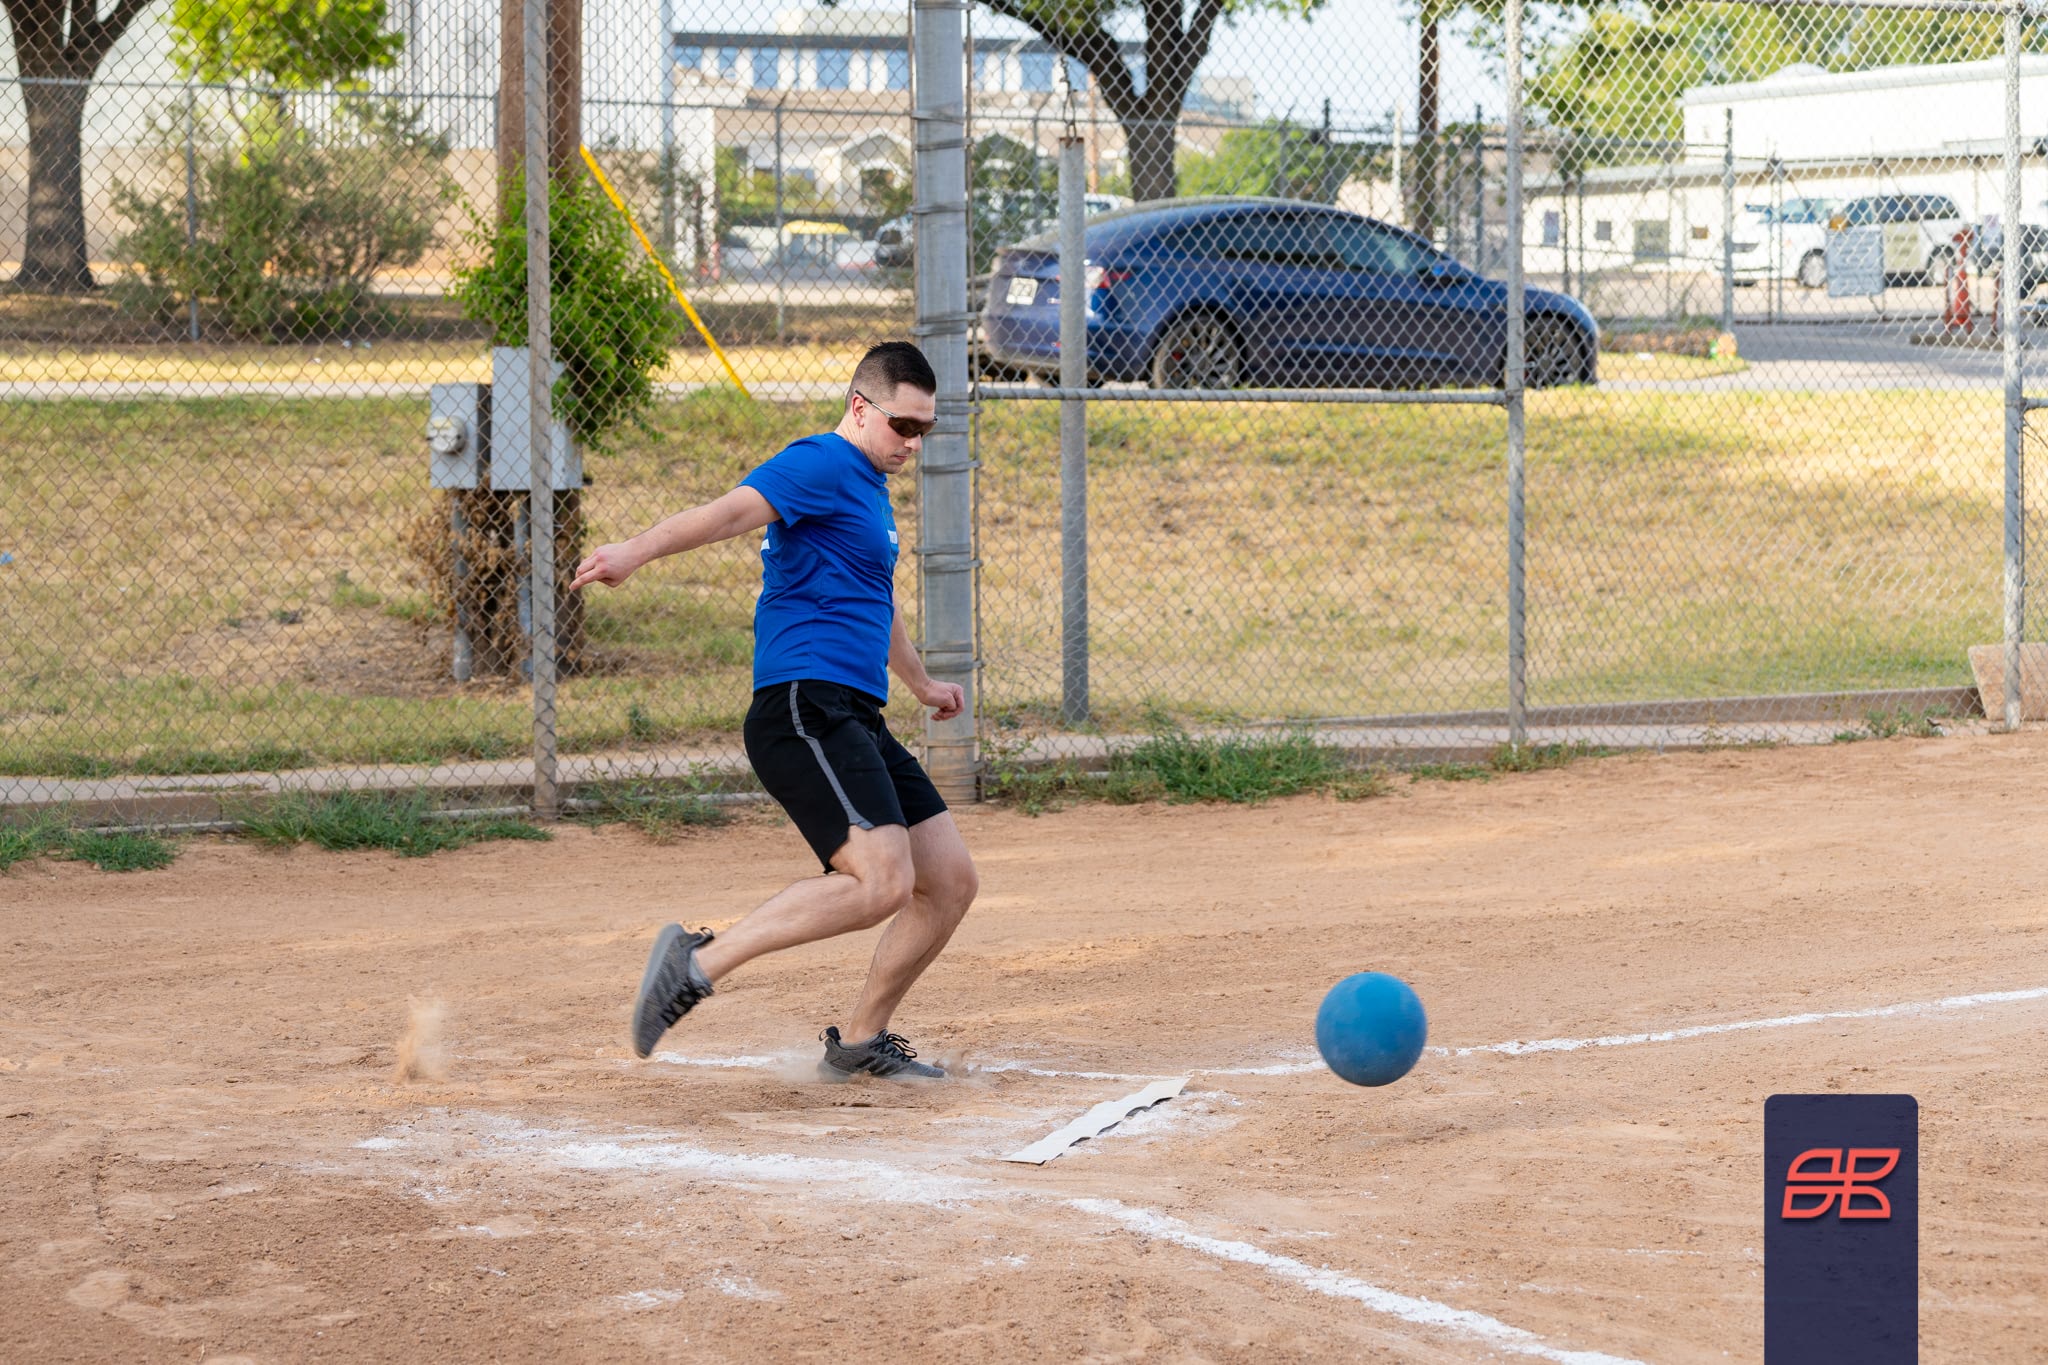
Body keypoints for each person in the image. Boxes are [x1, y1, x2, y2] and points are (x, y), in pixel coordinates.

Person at [569, 342, 978, 1081]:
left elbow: (873, 602)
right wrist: (634, 550)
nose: (914, 445)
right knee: (880, 882)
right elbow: (726, 514)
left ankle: (857, 1043)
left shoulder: (870, 494)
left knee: (948, 882)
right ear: (860, 407)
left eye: (927, 431)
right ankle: (699, 962)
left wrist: (919, 685)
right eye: (903, 426)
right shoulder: (822, 463)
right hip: (804, 704)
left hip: (855, 710)